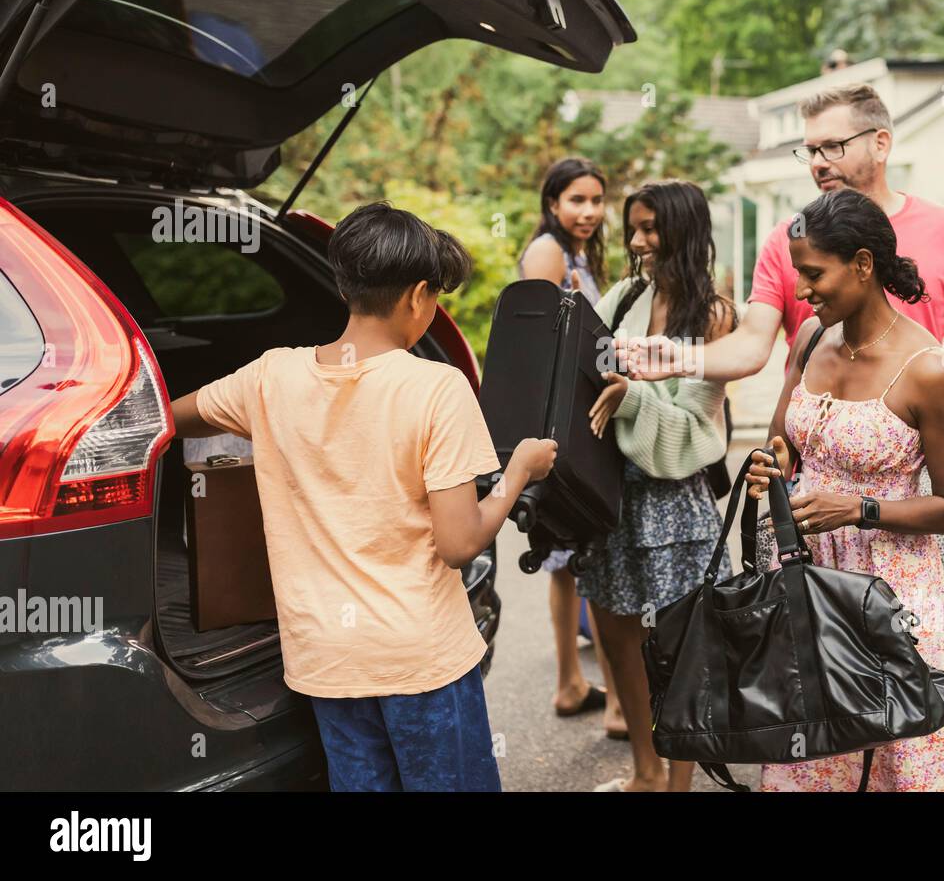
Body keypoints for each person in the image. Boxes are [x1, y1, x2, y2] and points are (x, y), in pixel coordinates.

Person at [169, 201, 558, 791]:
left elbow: (166, 418)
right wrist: (520, 471)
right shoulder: (436, 387)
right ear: (417, 295)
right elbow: (459, 543)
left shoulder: (271, 378)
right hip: (419, 660)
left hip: (327, 660)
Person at [622, 83, 944, 492]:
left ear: (881, 144)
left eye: (833, 147)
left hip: (916, 467)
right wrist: (680, 359)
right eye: (811, 151)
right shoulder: (787, 240)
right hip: (818, 467)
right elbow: (754, 342)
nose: (818, 163)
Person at [745, 188, 944, 791]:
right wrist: (770, 466)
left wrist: (858, 508)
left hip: (890, 594)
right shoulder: (810, 341)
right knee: (812, 753)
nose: (801, 290)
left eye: (814, 273)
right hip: (805, 575)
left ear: (864, 264)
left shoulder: (929, 370)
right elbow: (782, 438)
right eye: (798, 272)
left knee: (893, 754)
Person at [583, 180, 736, 792]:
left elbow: (701, 428)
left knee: (683, 655)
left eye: (652, 228)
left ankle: (679, 781)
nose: (640, 241)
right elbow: (581, 370)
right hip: (612, 500)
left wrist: (631, 397)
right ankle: (644, 773)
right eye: (635, 229)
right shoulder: (622, 299)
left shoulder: (716, 317)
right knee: (619, 641)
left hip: (675, 507)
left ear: (685, 231)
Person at [517, 157, 625, 738]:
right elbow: (537, 342)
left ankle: (573, 684)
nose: (588, 211)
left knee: (568, 564)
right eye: (576, 200)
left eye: (596, 200)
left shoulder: (579, 256)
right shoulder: (548, 252)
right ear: (553, 203)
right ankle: (608, 702)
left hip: (573, 416)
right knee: (586, 557)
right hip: (560, 422)